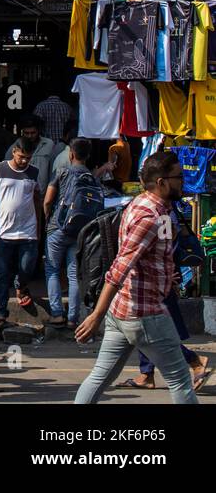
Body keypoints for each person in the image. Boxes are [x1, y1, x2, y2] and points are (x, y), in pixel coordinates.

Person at [74, 150, 199, 404]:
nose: (182, 182)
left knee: (100, 376)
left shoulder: (145, 204)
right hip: (145, 313)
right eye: (178, 177)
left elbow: (153, 251)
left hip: (124, 311)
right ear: (162, 182)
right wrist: (96, 316)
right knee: (180, 381)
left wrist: (166, 276)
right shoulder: (149, 217)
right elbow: (120, 267)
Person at [119, 200, 210, 392]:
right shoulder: (156, 208)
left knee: (150, 332)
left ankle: (193, 360)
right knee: (143, 330)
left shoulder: (162, 211)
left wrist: (168, 273)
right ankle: (147, 373)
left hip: (157, 281)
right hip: (151, 280)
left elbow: (167, 247)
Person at [0, 138, 43, 327]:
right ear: (14, 152)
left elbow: (36, 200)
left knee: (27, 268)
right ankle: (1, 311)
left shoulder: (34, 172)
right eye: (21, 157)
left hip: (28, 232)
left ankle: (20, 286)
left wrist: (39, 227)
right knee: (1, 274)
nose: (24, 161)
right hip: (4, 233)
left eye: (28, 158)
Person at [43, 137, 94, 328]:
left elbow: (48, 200)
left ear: (71, 154)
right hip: (80, 231)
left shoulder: (61, 172)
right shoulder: (91, 177)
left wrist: (48, 219)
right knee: (74, 274)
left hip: (58, 227)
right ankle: (73, 318)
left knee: (52, 269)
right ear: (87, 155)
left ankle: (57, 314)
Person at [5, 116, 63, 194]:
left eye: (33, 133)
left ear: (38, 131)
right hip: (22, 194)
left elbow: (53, 170)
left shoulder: (49, 144)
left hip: (42, 194)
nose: (30, 136)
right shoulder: (16, 146)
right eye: (26, 133)